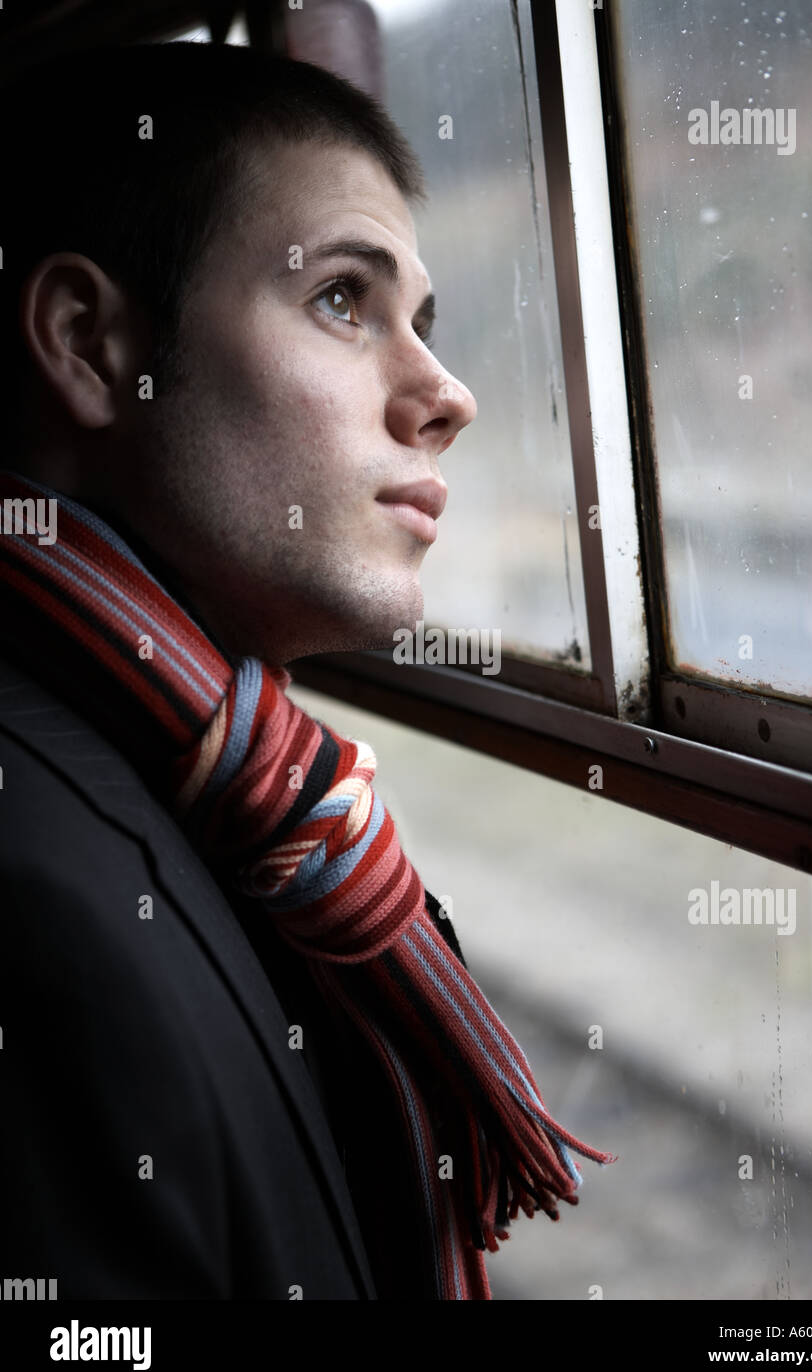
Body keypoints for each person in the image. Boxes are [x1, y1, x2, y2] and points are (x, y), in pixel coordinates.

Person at [0, 40, 614, 1302]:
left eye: (423, 324)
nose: (445, 394)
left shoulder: (221, 784)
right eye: (343, 298)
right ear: (88, 342)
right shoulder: (45, 904)